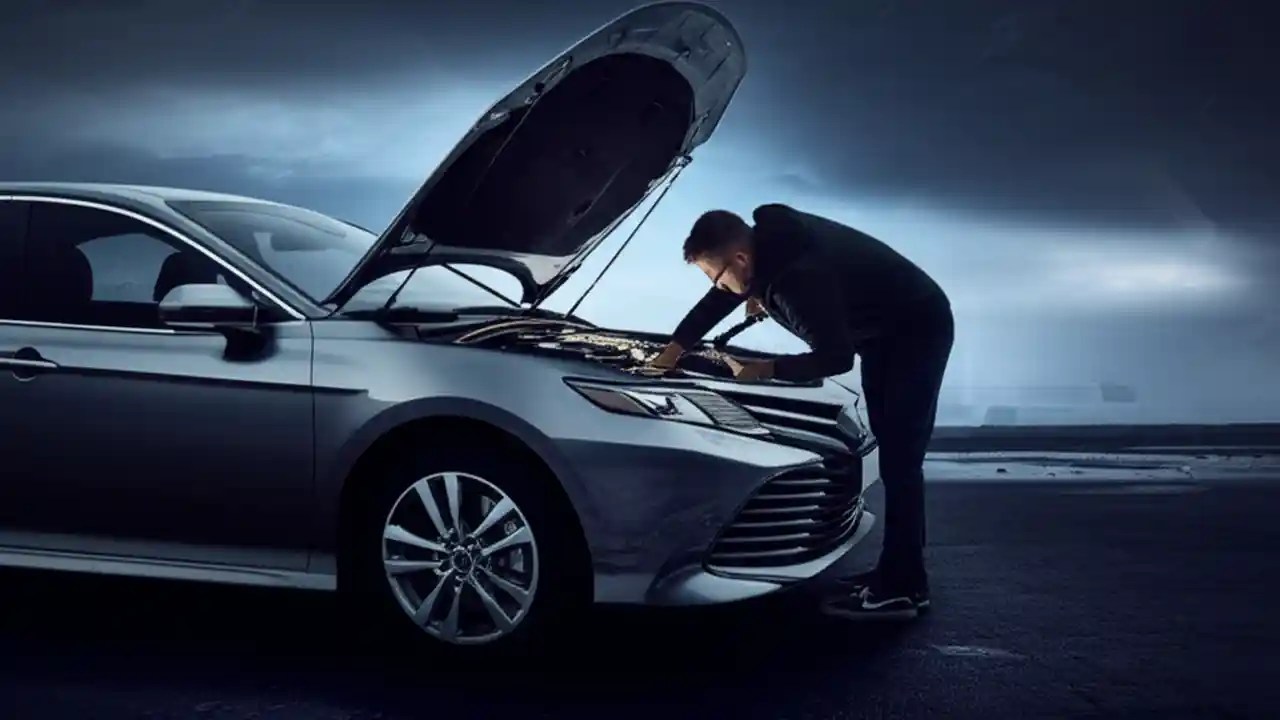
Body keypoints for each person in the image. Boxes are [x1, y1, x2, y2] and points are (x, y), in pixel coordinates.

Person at [648, 204, 954, 619]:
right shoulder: (768, 246)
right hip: (885, 332)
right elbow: (717, 301)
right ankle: (895, 572)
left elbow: (836, 357)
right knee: (892, 450)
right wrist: (672, 350)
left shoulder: (796, 279)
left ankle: (903, 588)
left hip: (917, 327)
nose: (714, 284)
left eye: (713, 274)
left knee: (901, 460)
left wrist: (766, 370)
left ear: (740, 259)